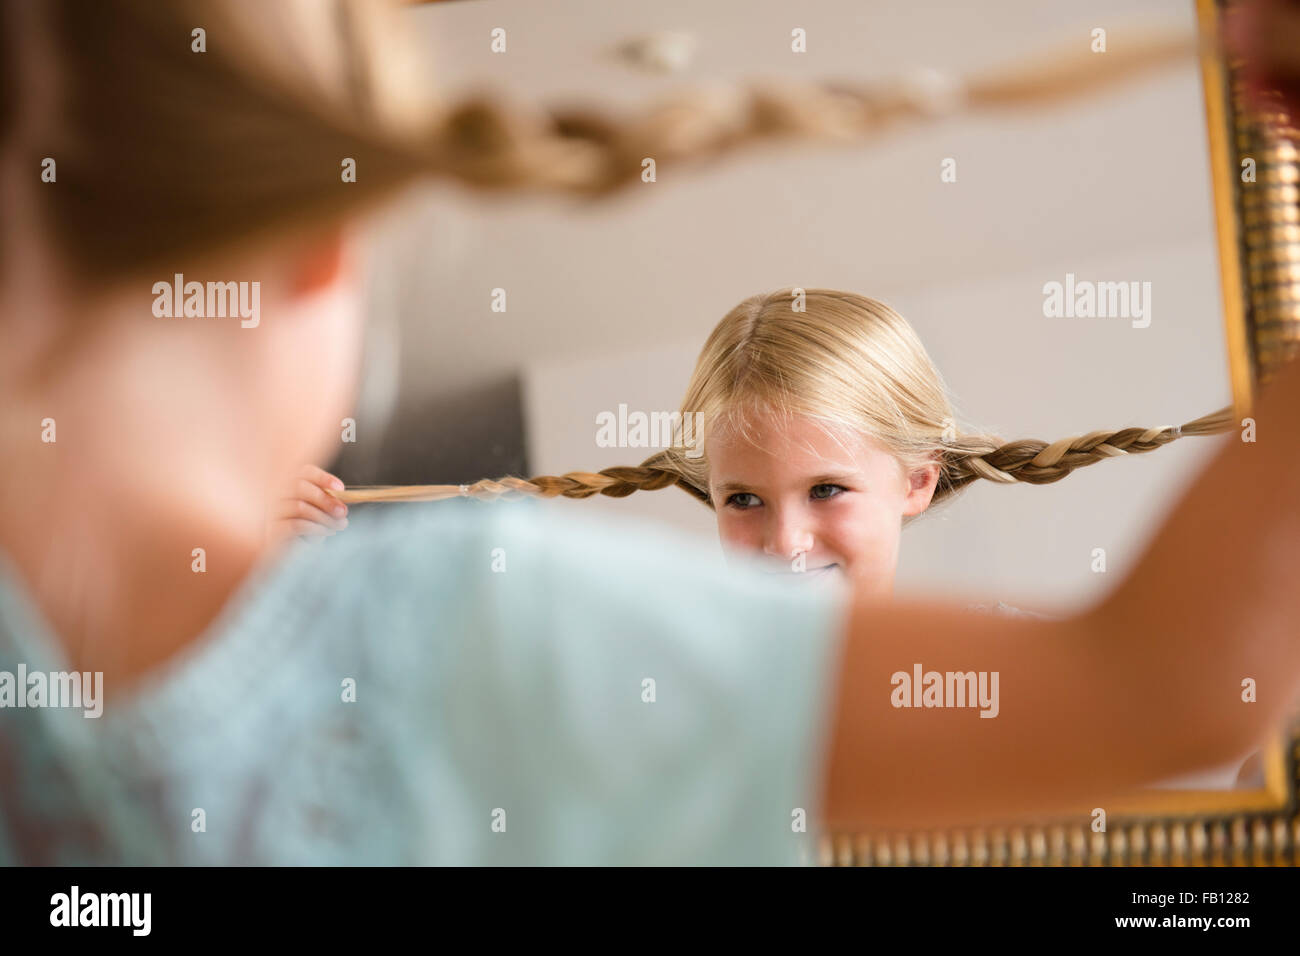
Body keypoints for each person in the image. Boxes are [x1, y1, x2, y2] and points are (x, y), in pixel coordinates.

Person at [2, 0, 1298, 865]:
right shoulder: (468, 635)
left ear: (921, 481)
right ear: (323, 255)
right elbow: (1166, 689)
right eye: (741, 497)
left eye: (825, 491)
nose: (782, 538)